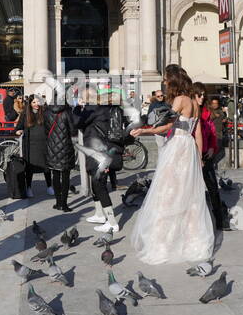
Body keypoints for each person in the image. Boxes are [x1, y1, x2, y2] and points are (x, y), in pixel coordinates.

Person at [128, 65, 215, 263]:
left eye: (166, 80)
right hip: (190, 148)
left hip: (177, 147)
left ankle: (163, 245)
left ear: (173, 80)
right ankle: (193, 243)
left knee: (167, 194)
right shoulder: (194, 101)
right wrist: (199, 157)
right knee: (190, 195)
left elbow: (166, 125)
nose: (165, 83)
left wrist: (144, 131)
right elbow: (198, 133)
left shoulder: (179, 100)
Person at [74, 87, 128, 233]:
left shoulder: (92, 108)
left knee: (99, 185)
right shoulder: (105, 109)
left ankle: (112, 222)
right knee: (96, 182)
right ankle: (99, 214)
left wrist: (78, 107)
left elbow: (77, 123)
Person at [194, 84, 230, 231]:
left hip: (206, 155)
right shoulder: (190, 112)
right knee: (193, 191)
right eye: (199, 95)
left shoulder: (207, 112)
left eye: (203, 95)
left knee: (213, 188)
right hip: (192, 156)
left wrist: (211, 148)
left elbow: (213, 133)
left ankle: (220, 221)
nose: (202, 98)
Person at [14, 92, 52, 198]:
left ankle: (49, 186)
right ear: (30, 103)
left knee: (46, 167)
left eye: (38, 102)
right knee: (29, 168)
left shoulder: (45, 113)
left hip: (43, 144)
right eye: (33, 102)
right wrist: (18, 131)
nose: (36, 104)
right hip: (30, 145)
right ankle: (29, 188)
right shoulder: (25, 114)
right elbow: (17, 127)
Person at [44, 94, 76, 212]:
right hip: (66, 147)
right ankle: (64, 204)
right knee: (66, 176)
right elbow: (73, 131)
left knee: (55, 175)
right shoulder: (67, 112)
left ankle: (58, 203)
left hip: (52, 147)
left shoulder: (47, 112)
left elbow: (46, 130)